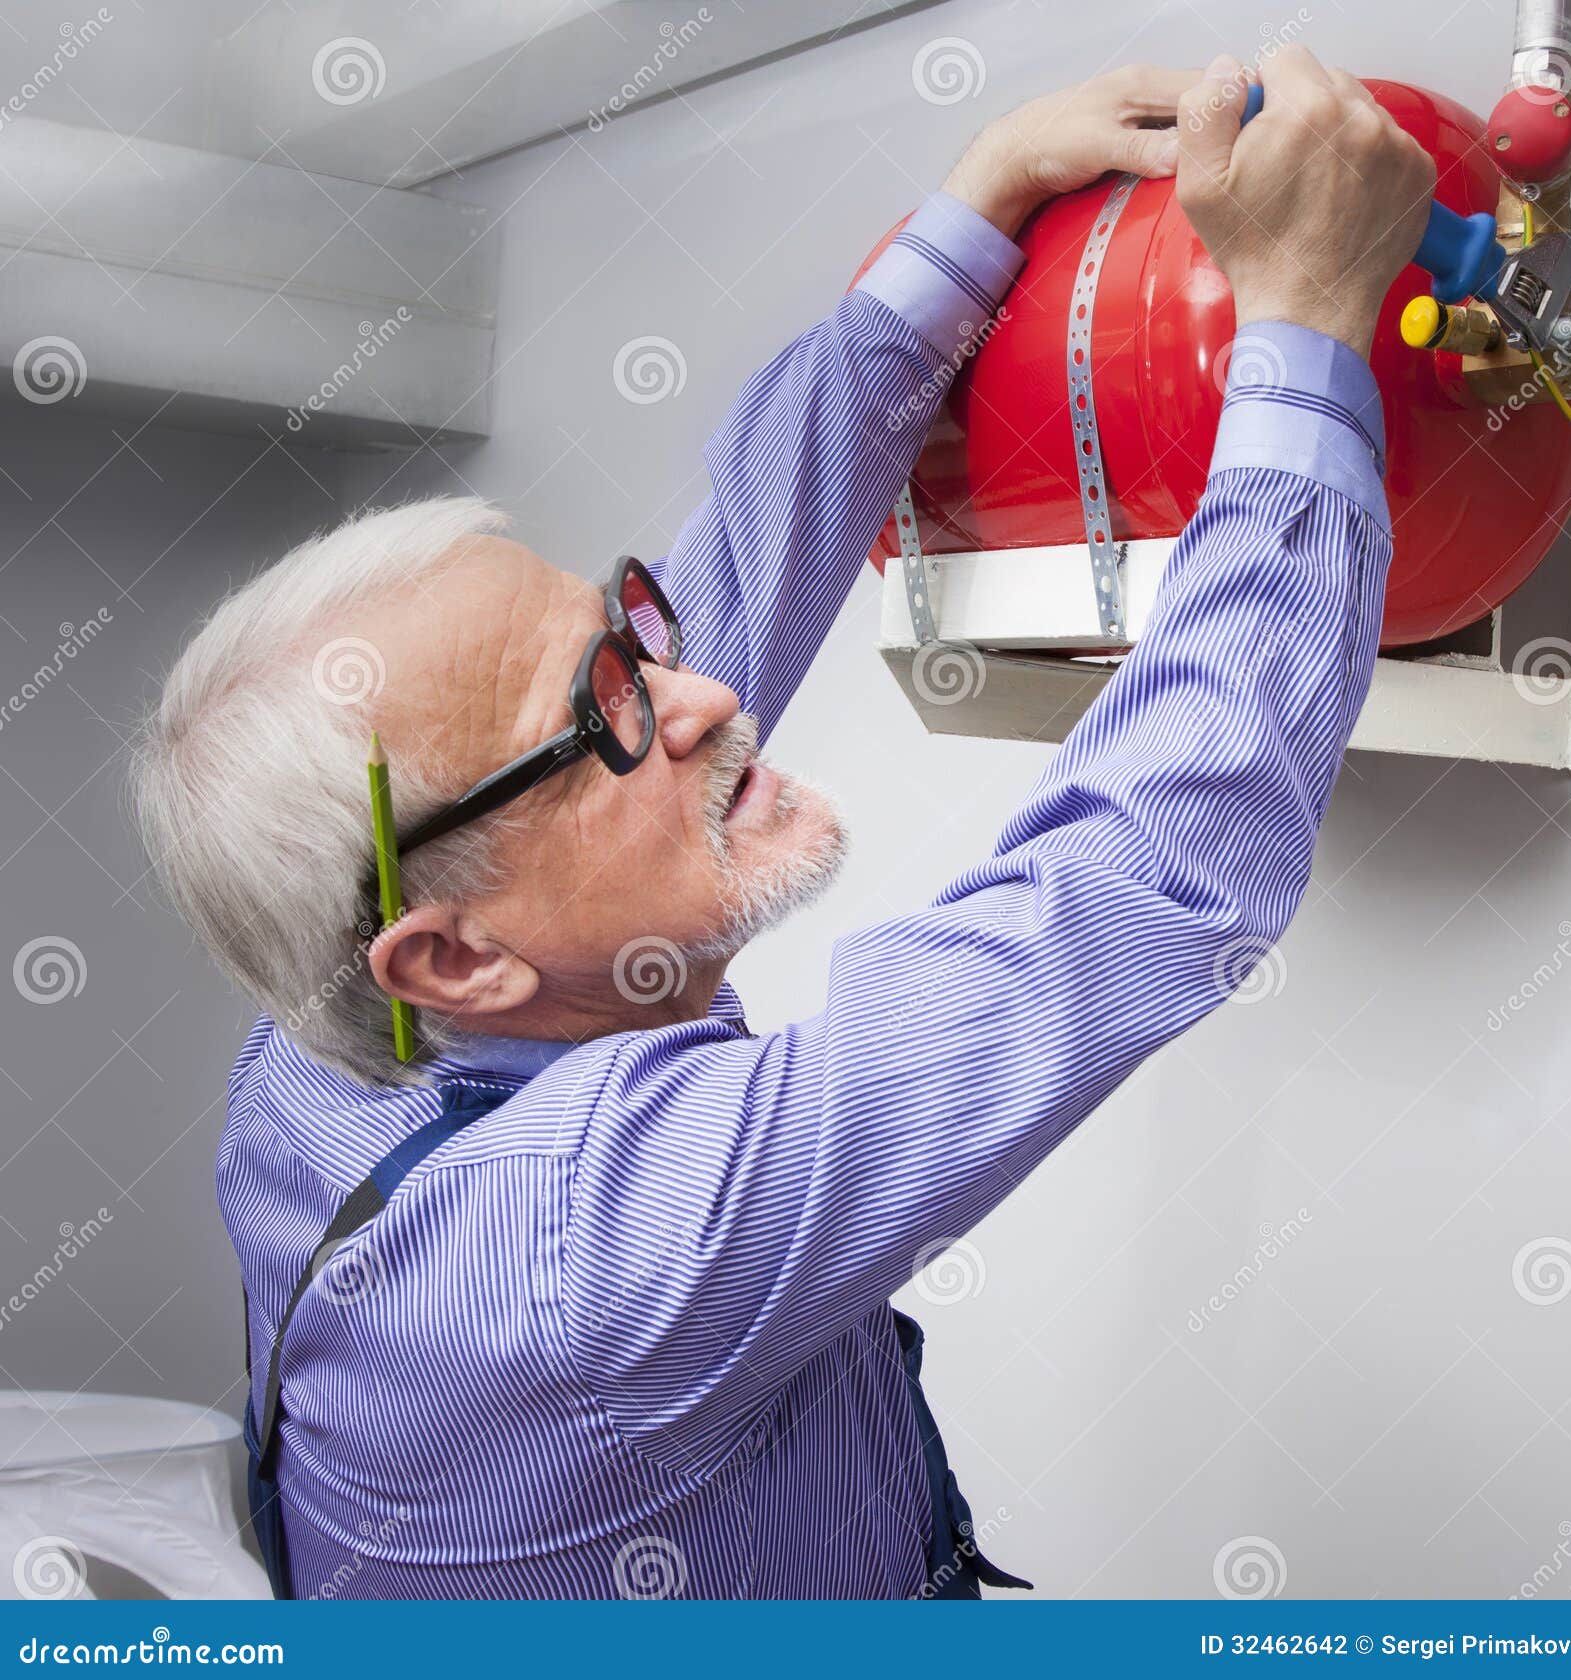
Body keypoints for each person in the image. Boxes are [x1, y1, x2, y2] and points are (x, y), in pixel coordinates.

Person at [129, 47, 1433, 1599]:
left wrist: (975, 209)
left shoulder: (323, 1038)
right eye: (609, 717)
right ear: (456, 956)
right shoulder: (589, 1258)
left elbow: (714, 595)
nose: (693, 691)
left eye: (622, 637)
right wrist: (1305, 325)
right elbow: (1134, 881)